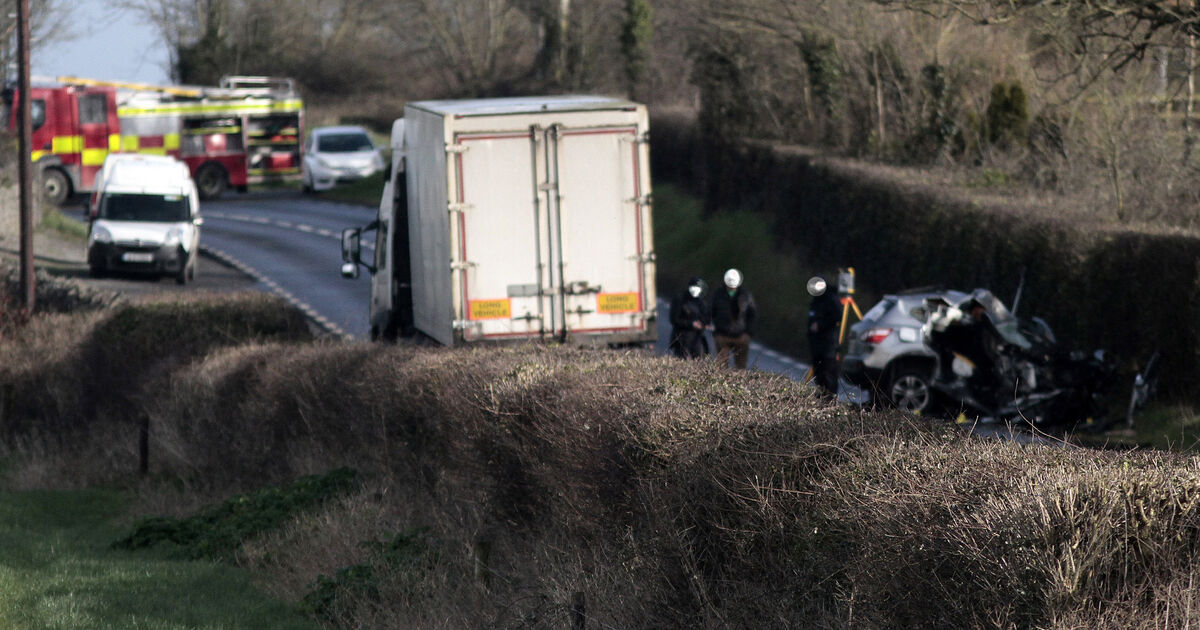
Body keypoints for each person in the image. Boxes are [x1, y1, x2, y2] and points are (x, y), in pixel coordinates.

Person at [711, 268, 757, 369]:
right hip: (722, 335)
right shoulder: (718, 294)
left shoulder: (745, 295)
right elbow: (711, 312)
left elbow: (752, 314)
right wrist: (715, 331)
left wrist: (748, 333)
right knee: (720, 366)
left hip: (741, 336)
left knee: (741, 367)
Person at [806, 276, 842, 396]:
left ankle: (829, 397)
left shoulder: (831, 298)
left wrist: (820, 325)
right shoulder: (817, 300)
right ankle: (822, 394)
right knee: (819, 372)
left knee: (828, 371)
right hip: (816, 343)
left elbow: (837, 316)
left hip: (828, 344)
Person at [669, 276, 712, 359]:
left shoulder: (702, 302)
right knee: (682, 359)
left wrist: (703, 324)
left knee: (699, 359)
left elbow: (707, 317)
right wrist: (691, 324)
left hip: (697, 338)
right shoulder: (680, 300)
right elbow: (674, 319)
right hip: (681, 337)